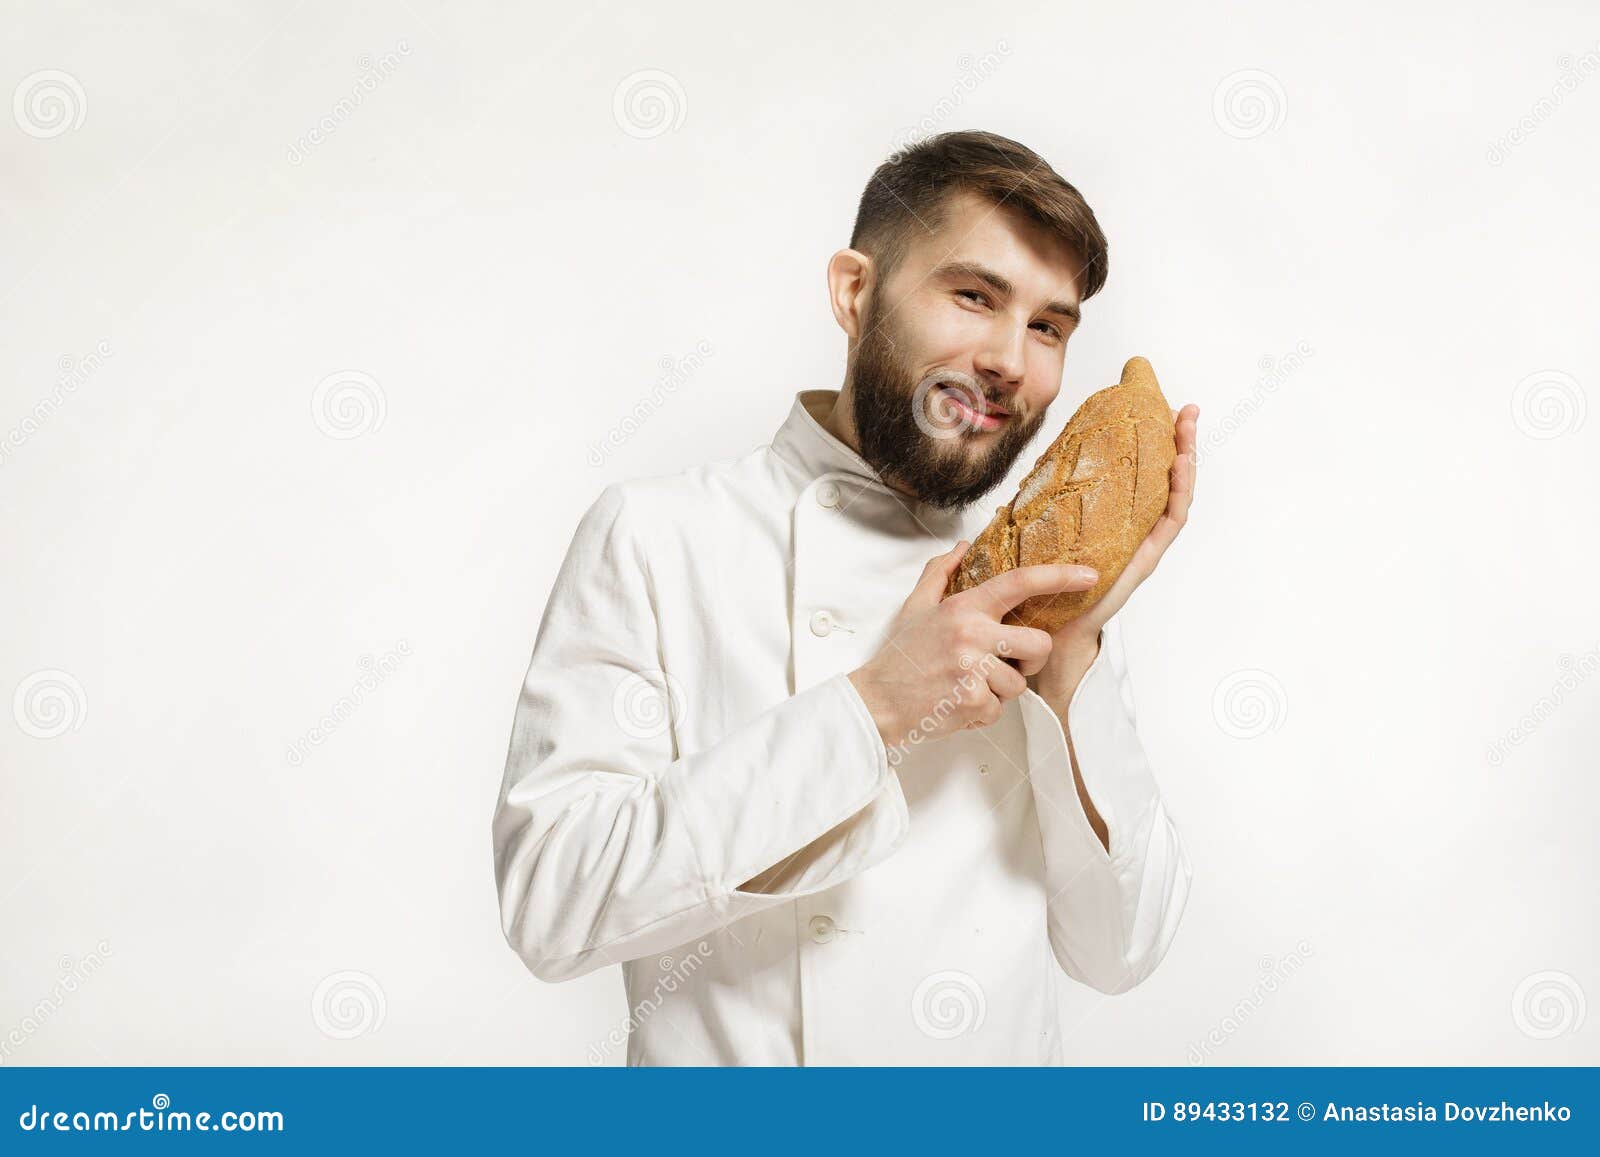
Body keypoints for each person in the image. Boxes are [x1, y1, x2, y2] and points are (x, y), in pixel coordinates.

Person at [492, 129, 1201, 1065]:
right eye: (974, 295)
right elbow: (554, 903)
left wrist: (1073, 655)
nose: (1008, 359)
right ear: (854, 292)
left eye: (1047, 326)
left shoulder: (1030, 585)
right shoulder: (658, 536)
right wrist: (875, 707)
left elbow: (1122, 952)